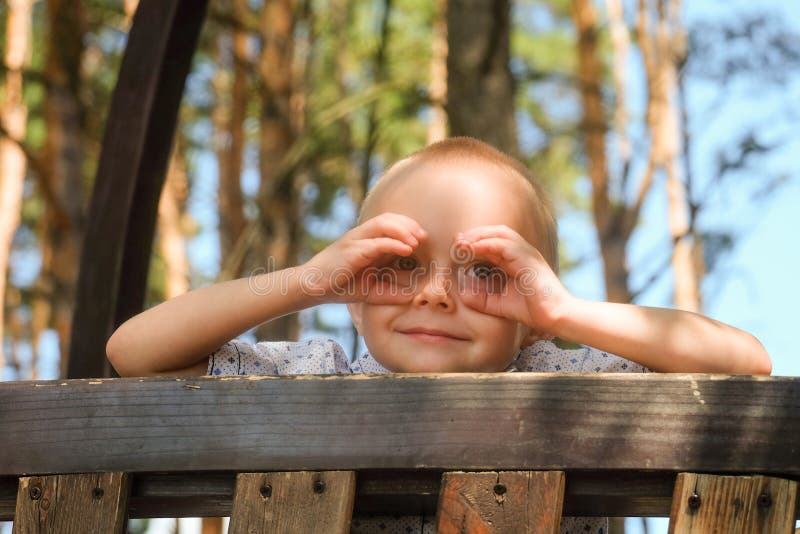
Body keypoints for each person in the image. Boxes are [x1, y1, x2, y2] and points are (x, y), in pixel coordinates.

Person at [106, 136, 771, 533]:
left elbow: (746, 362)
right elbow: (131, 352)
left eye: (484, 272)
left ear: (528, 304)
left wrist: (565, 313)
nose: (434, 293)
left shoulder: (559, 380)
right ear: (355, 297)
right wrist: (305, 282)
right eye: (398, 267)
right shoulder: (317, 371)